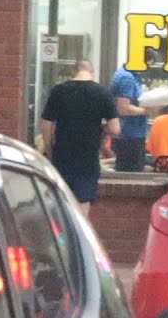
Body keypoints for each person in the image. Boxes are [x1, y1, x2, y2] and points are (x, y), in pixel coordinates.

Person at [39, 61, 120, 216]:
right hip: (88, 158)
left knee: (61, 203)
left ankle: (62, 238)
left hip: (62, 156)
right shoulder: (102, 93)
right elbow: (115, 128)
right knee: (82, 205)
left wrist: (49, 148)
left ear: (74, 72)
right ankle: (79, 237)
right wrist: (99, 126)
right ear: (92, 72)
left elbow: (46, 124)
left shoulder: (59, 91)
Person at [110, 64, 150, 172]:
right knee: (132, 172)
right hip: (130, 134)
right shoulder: (127, 78)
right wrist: (147, 111)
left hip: (129, 132)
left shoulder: (126, 75)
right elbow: (123, 108)